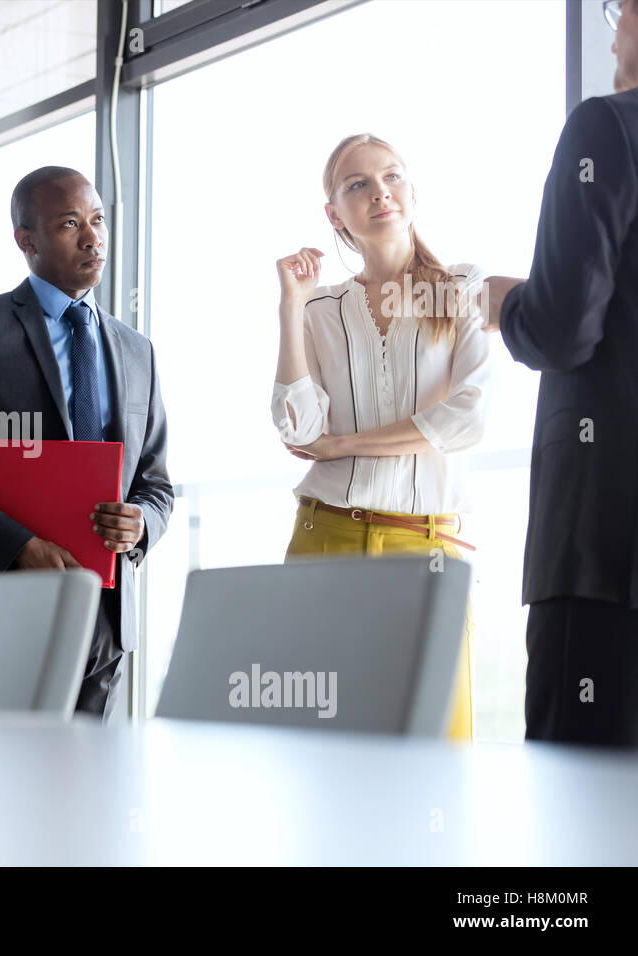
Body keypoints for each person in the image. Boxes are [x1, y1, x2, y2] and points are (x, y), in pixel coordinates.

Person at [0, 166, 173, 721]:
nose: (93, 237)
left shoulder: (137, 349)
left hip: (104, 617)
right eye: (71, 224)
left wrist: (142, 522)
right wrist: (19, 547)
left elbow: (155, 484)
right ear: (27, 240)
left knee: (85, 791)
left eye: (98, 220)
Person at [271, 134, 492, 741]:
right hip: (326, 537)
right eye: (357, 185)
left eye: (391, 177)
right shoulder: (320, 309)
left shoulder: (463, 287)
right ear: (333, 213)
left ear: (413, 192)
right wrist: (291, 307)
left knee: (436, 754)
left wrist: (348, 445)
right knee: (320, 753)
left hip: (427, 551)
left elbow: (470, 419)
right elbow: (298, 425)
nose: (379, 193)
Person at [480, 0, 638, 745]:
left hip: (604, 558)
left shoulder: (605, 127)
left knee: (580, 814)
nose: (615, 23)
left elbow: (565, 328)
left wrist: (508, 304)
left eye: (621, 7)